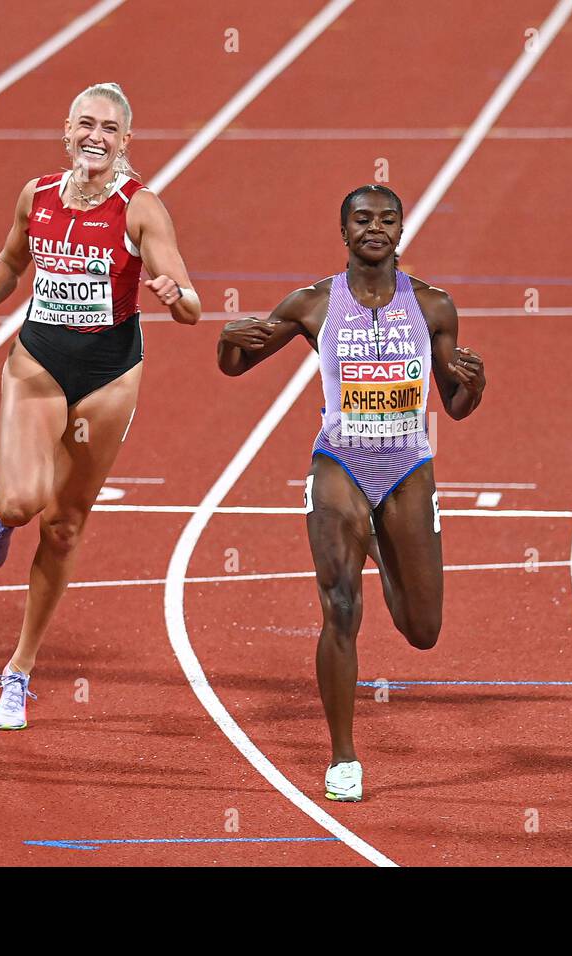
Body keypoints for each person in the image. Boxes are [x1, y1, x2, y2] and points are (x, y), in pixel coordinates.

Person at [217, 184, 486, 800]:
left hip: (408, 465)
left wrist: (478, 383)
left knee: (423, 630)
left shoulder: (434, 306)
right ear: (344, 233)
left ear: (401, 230)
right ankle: (343, 757)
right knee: (340, 605)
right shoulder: (313, 304)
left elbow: (458, 405)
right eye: (362, 220)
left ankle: (379, 546)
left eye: (387, 220)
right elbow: (237, 366)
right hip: (338, 460)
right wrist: (228, 339)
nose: (375, 228)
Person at [0, 82, 200, 730]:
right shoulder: (36, 196)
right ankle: (0, 517)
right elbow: (10, 262)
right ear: (67, 132)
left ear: (125, 142)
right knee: (20, 502)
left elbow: (191, 307)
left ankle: (18, 669)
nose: (95, 137)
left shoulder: (140, 208)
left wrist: (171, 292)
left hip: (108, 375)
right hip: (38, 361)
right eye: (85, 125)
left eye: (109, 129)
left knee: (64, 527)